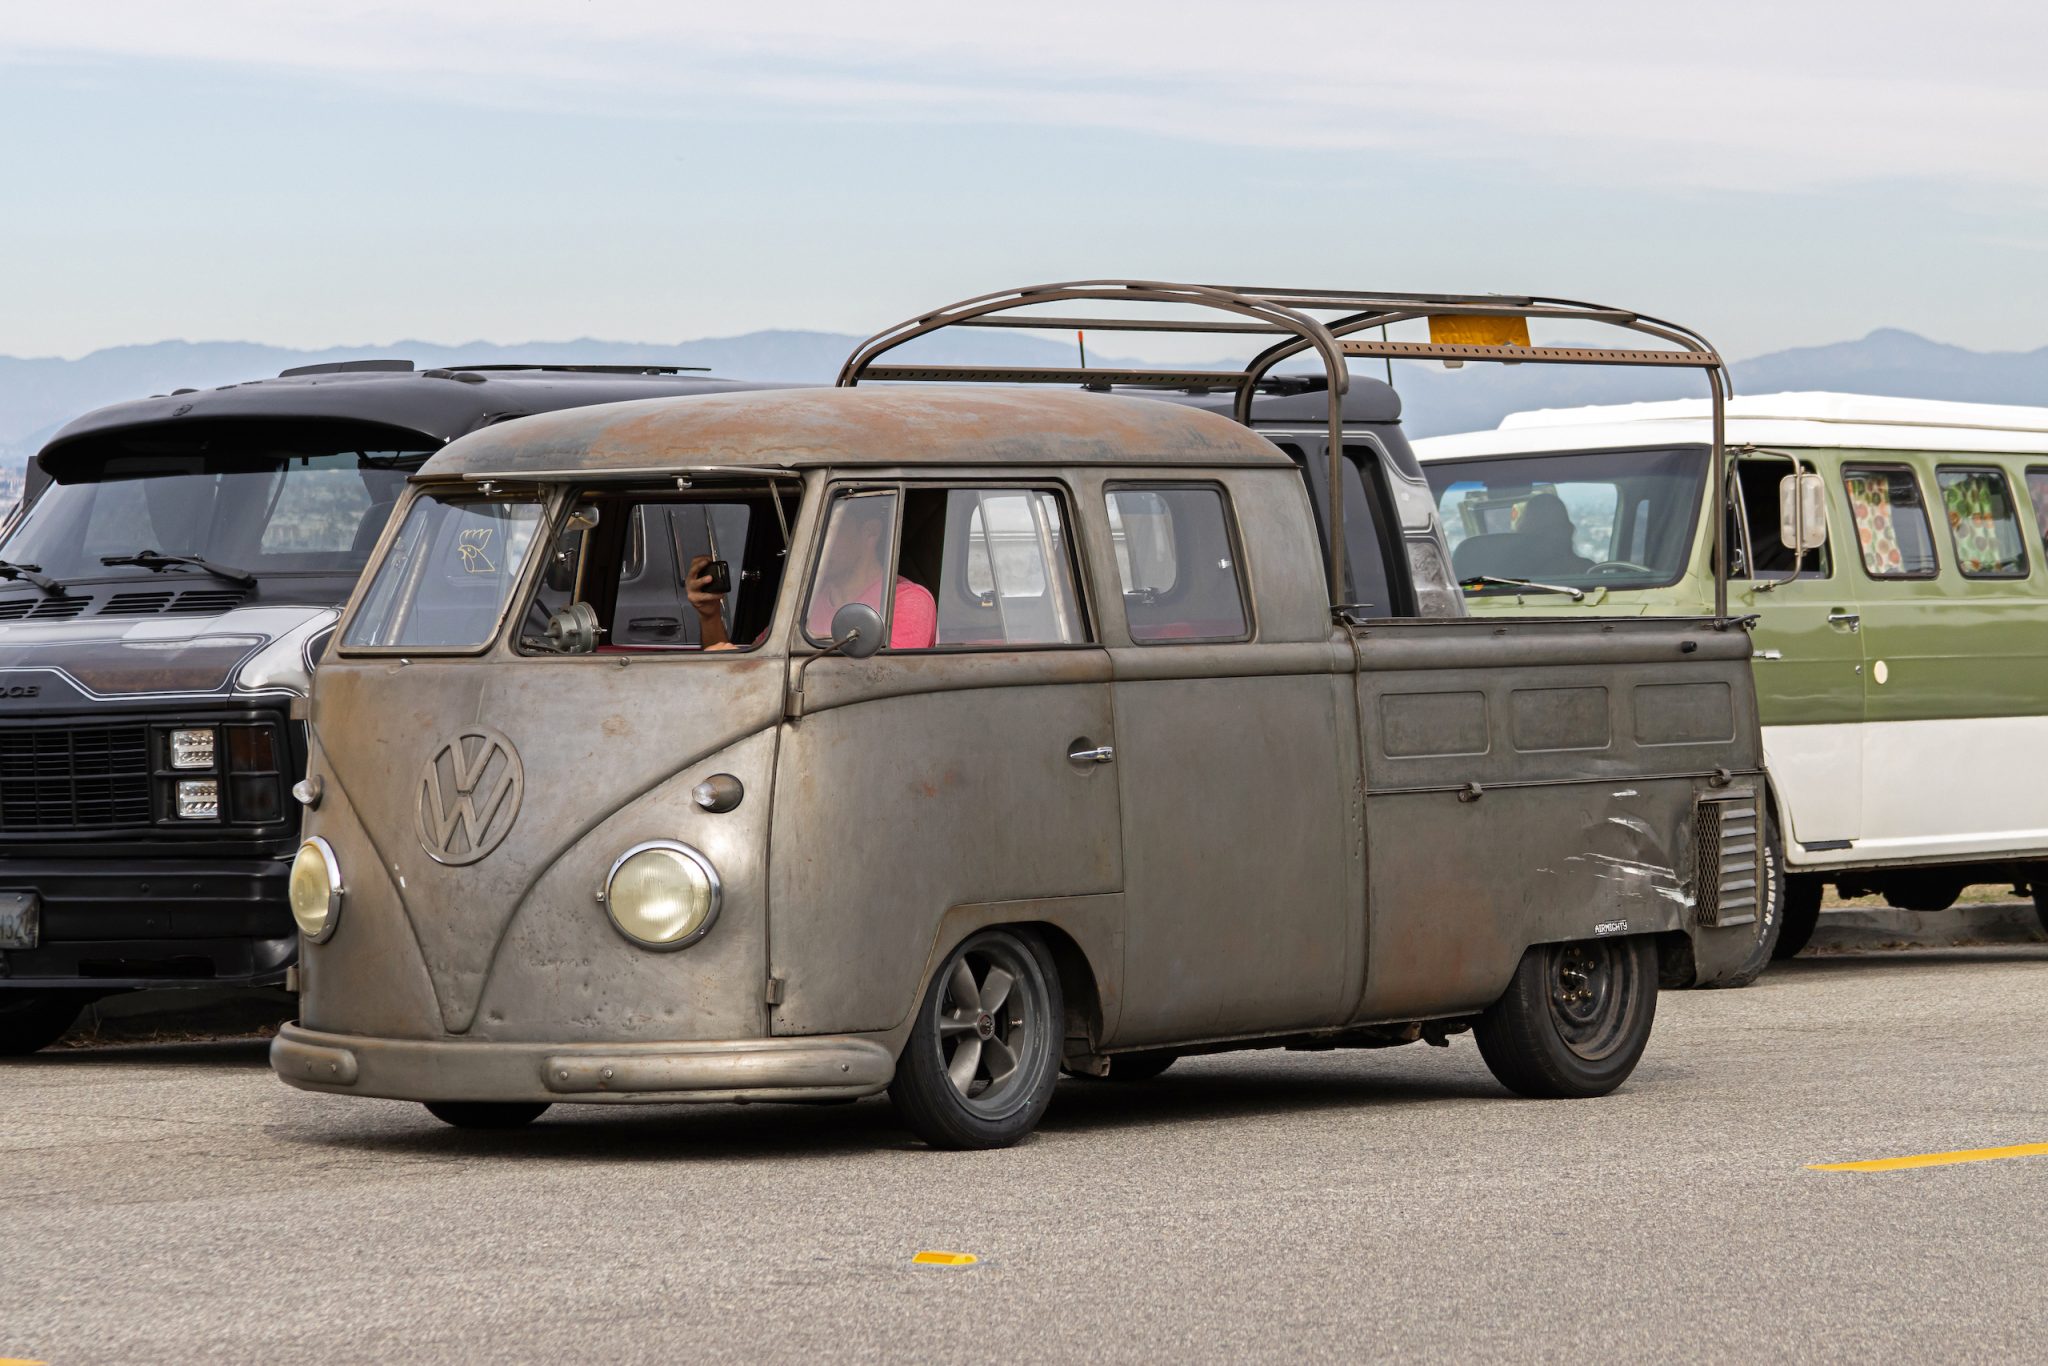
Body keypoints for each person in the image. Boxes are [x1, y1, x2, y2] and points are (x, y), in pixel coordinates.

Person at [688, 494, 935, 650]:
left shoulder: (906, 602)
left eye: (829, 530)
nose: (813, 544)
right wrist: (710, 616)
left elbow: (882, 684)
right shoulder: (805, 601)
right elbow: (758, 662)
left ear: (870, 532)